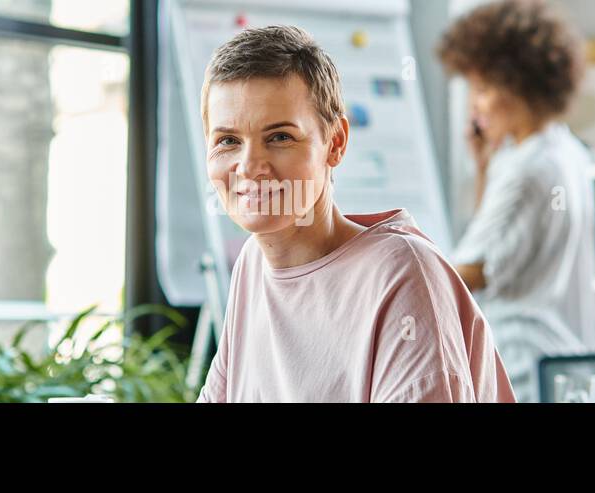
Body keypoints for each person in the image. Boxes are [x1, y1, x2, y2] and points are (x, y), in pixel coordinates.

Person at [195, 25, 514, 402]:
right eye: (228, 141)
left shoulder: (402, 274)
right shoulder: (252, 265)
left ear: (336, 143)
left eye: (280, 137)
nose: (249, 167)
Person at [437, 0, 595, 400]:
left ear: (517, 85)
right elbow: (500, 243)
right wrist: (483, 169)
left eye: (483, 88)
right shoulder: (566, 151)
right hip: (563, 362)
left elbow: (467, 275)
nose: (475, 104)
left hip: (522, 366)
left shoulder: (526, 170)